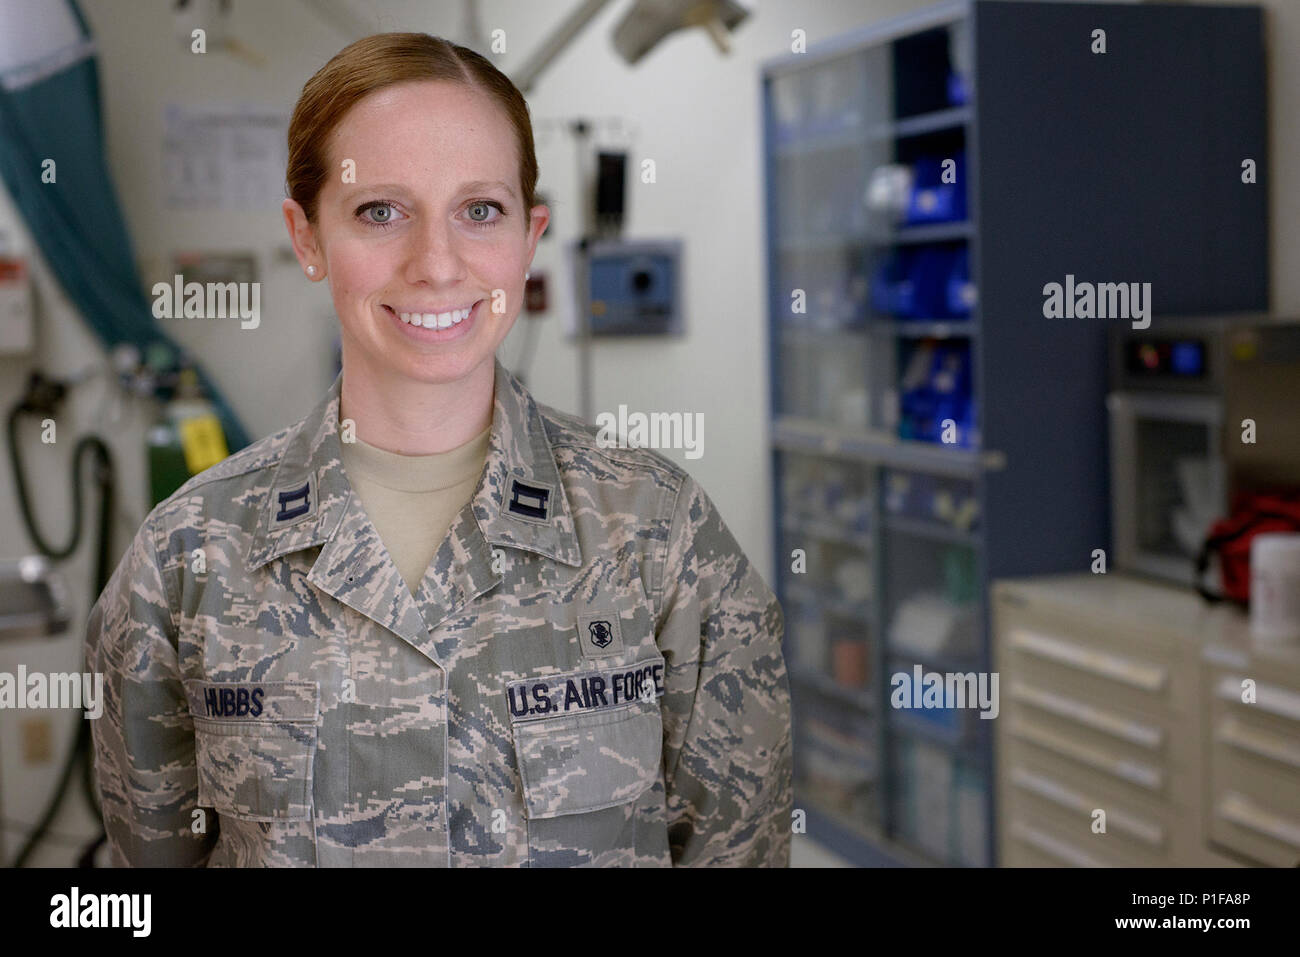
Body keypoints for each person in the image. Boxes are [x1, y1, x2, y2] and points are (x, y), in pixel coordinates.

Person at [85, 32, 791, 867]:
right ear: (307, 237)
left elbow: (736, 848)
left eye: (479, 210)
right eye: (380, 210)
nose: (437, 263)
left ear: (530, 236)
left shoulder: (658, 535)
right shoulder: (187, 557)